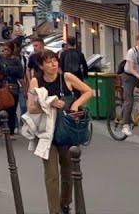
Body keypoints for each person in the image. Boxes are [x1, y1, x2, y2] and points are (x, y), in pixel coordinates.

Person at [27, 49, 93, 214]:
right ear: (41, 66)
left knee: (68, 172)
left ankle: (65, 203)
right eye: (48, 61)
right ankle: (54, 210)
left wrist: (76, 104)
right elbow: (31, 108)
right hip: (47, 134)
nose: (53, 64)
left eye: (55, 60)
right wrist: (49, 103)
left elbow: (88, 91)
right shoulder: (36, 82)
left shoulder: (67, 78)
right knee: (51, 175)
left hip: (67, 131)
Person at [0, 40, 25, 135]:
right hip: (1, 85)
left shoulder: (16, 61)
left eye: (7, 50)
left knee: (12, 109)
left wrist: (24, 89)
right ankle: (1, 125)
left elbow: (21, 76)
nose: (5, 52)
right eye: (4, 50)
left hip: (13, 86)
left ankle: (11, 130)